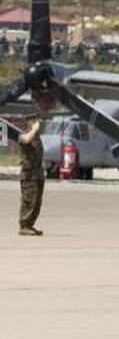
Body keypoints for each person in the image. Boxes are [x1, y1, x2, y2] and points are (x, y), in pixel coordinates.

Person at [17, 91, 54, 236]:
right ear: (27, 121)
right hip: (28, 175)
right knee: (29, 201)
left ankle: (30, 224)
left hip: (37, 174)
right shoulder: (23, 133)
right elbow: (26, 140)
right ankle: (24, 225)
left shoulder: (37, 137)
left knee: (37, 202)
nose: (35, 121)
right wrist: (33, 129)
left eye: (35, 119)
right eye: (32, 119)